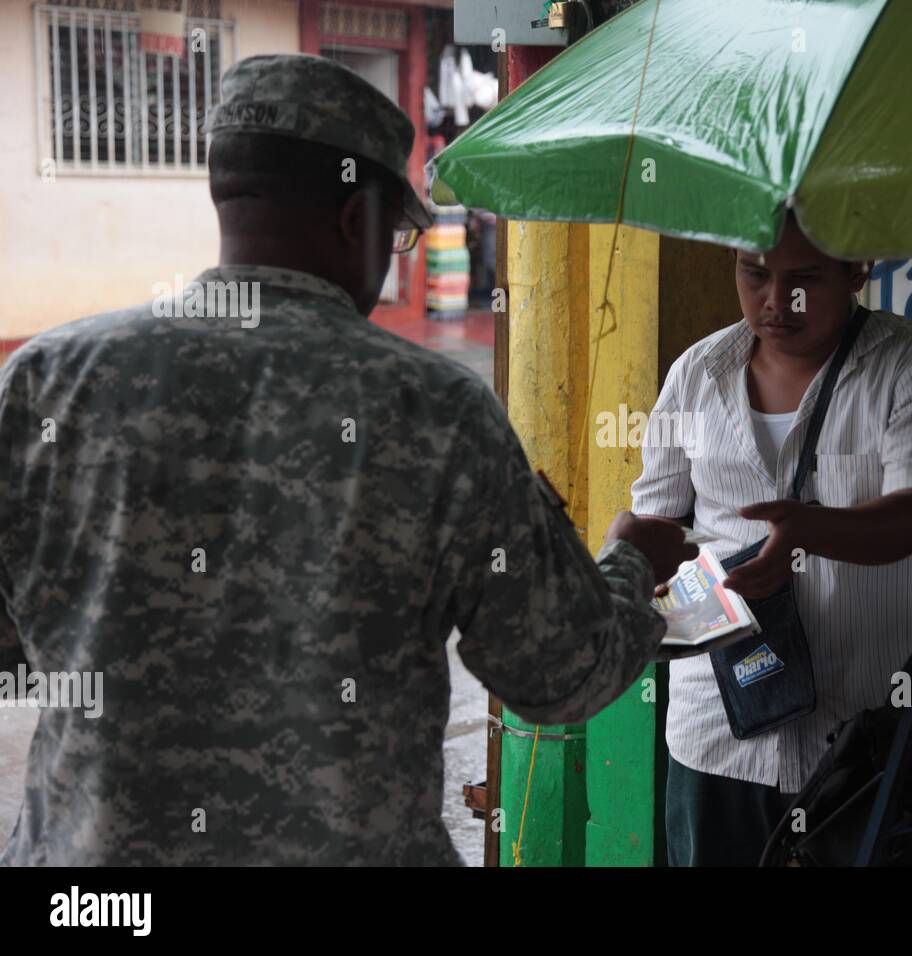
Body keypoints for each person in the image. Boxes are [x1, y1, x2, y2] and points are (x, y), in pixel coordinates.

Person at [0, 54, 693, 866]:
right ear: (355, 216)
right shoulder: (435, 410)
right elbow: (560, 673)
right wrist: (631, 566)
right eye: (397, 233)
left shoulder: (47, 383)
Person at [632, 213, 912, 866]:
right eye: (754, 274)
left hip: (862, 735)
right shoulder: (695, 375)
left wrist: (814, 531)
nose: (776, 302)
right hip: (715, 733)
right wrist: (635, 551)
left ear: (857, 270)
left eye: (804, 279)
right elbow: (662, 529)